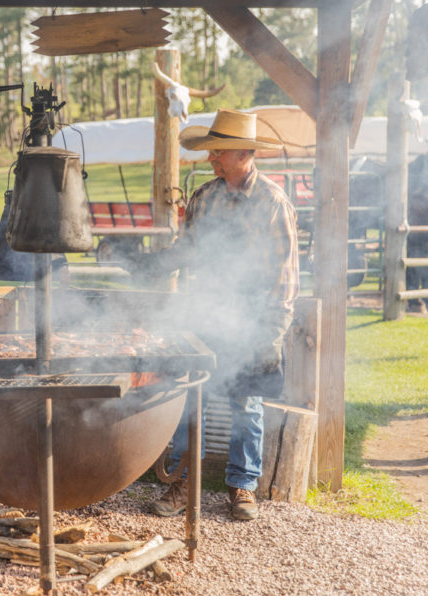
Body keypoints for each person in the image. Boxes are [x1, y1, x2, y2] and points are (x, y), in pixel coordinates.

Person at [136, 109, 299, 521]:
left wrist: (271, 334)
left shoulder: (273, 204)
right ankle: (182, 484)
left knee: (246, 402)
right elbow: (186, 251)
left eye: (219, 151)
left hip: (253, 322)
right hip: (207, 315)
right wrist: (151, 265)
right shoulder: (205, 198)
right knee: (193, 398)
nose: (211, 159)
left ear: (244, 153)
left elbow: (284, 279)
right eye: (211, 152)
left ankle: (242, 487)